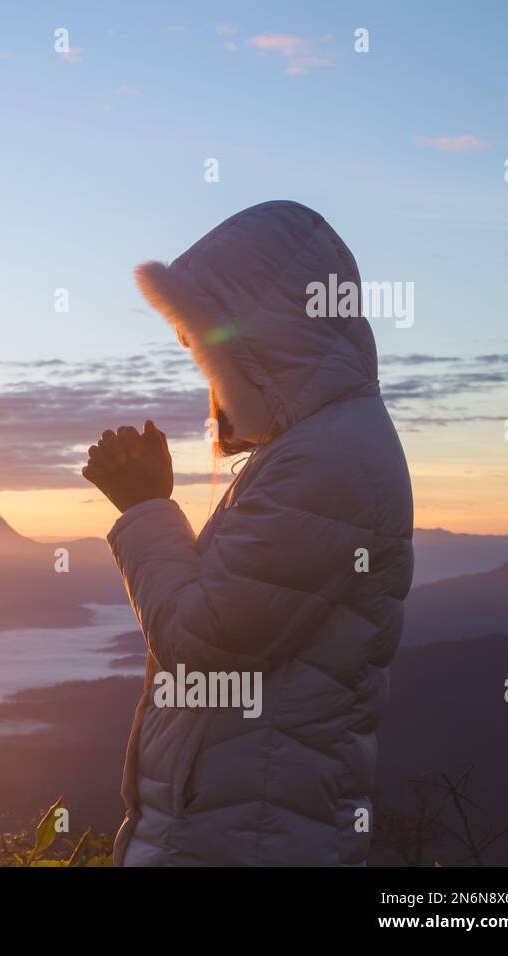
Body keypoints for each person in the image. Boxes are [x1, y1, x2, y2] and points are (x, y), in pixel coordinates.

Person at [83, 200, 414, 866]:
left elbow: (200, 641)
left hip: (250, 840)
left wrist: (144, 506)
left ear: (268, 346)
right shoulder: (318, 448)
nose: (208, 379)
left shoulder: (330, 461)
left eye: (213, 356)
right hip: (248, 829)